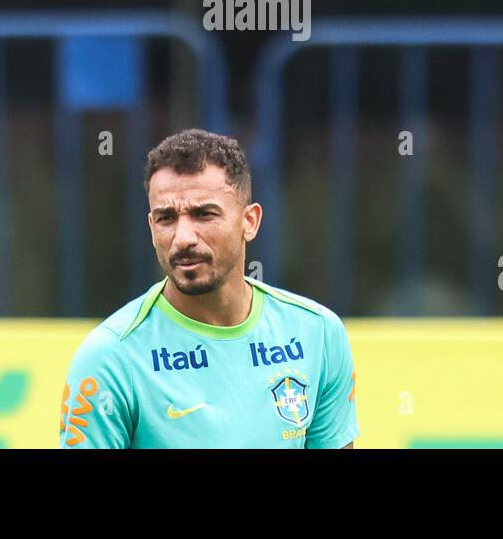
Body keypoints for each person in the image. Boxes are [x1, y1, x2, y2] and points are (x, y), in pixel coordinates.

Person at [58, 128, 359, 449]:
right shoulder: (111, 357)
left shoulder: (317, 333)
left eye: (204, 214)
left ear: (250, 222)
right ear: (151, 227)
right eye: (166, 218)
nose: (183, 237)